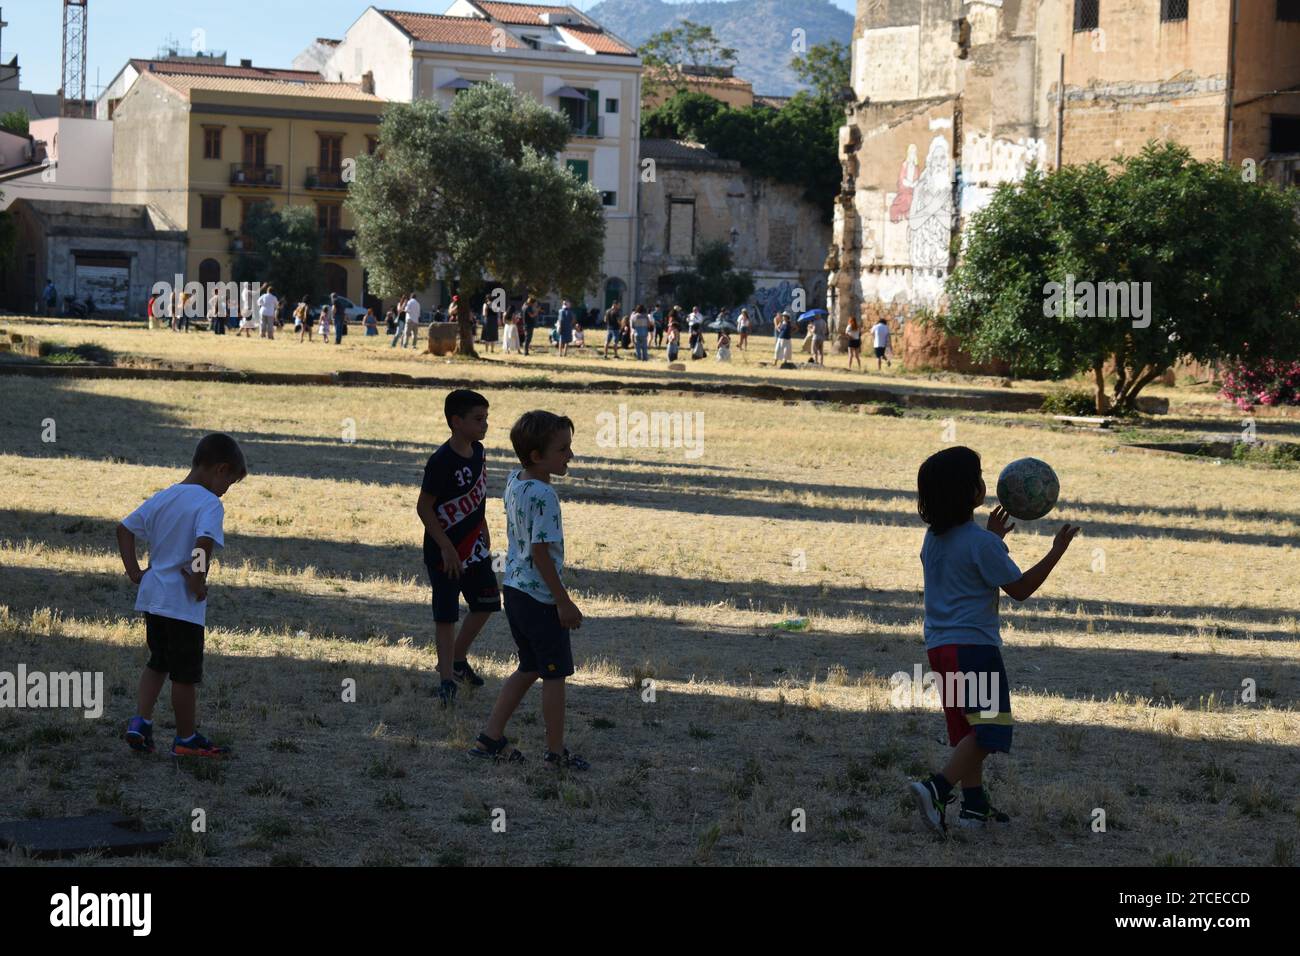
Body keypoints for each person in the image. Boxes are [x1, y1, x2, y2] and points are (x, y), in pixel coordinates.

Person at [908, 446, 1080, 835]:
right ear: (969, 491)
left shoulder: (933, 539)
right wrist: (1056, 552)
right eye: (979, 475)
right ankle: (935, 789)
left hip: (940, 649)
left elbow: (967, 566)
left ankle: (974, 807)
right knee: (989, 730)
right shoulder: (981, 544)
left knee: (972, 730)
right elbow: (1019, 589)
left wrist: (993, 540)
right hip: (974, 649)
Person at [468, 410, 588, 770]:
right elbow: (540, 552)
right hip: (540, 597)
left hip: (516, 590)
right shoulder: (545, 495)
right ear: (537, 456)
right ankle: (555, 754)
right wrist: (563, 601)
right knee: (554, 674)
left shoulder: (515, 481)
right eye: (563, 449)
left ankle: (490, 737)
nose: (570, 455)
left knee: (530, 667)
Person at [117, 433, 248, 758]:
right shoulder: (209, 504)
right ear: (221, 469)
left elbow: (124, 528)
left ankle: (140, 722)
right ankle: (186, 738)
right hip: (181, 604)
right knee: (185, 675)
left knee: (158, 662)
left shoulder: (164, 496)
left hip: (153, 598)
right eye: (229, 482)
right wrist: (197, 578)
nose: (225, 490)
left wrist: (135, 572)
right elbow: (203, 541)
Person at [416, 390, 501, 708]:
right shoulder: (441, 461)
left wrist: (484, 528)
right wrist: (447, 548)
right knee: (446, 614)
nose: (485, 425)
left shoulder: (478, 452)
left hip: (474, 546)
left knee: (488, 601)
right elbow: (424, 508)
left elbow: (478, 499)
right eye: (478, 419)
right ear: (456, 421)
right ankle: (446, 679)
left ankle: (458, 658)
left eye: (486, 418)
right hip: (445, 551)